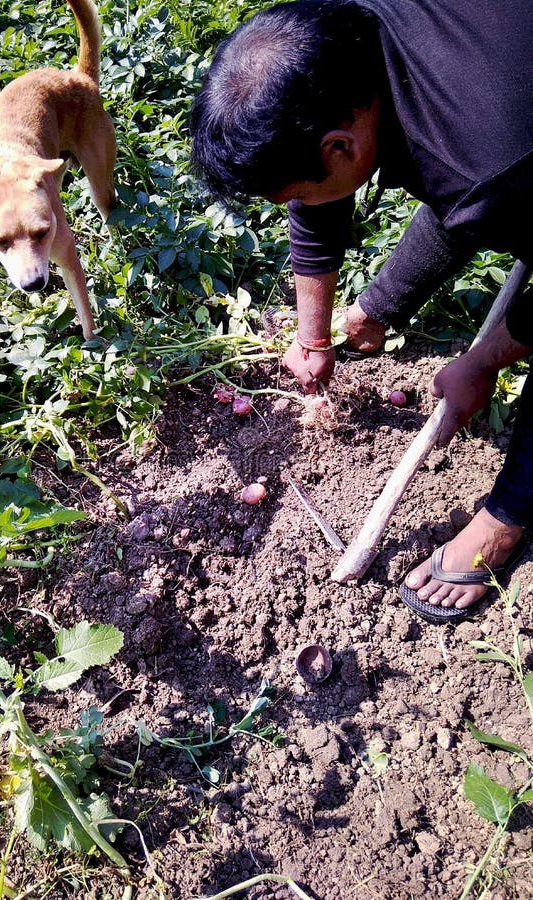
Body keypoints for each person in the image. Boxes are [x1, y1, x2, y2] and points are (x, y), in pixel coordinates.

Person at [190, 0, 533, 622]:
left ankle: (506, 516)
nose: (298, 201)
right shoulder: (340, 43)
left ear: (341, 145)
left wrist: (484, 359)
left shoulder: (490, 163)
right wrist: (319, 333)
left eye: (295, 190)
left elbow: (471, 188)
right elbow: (341, 187)